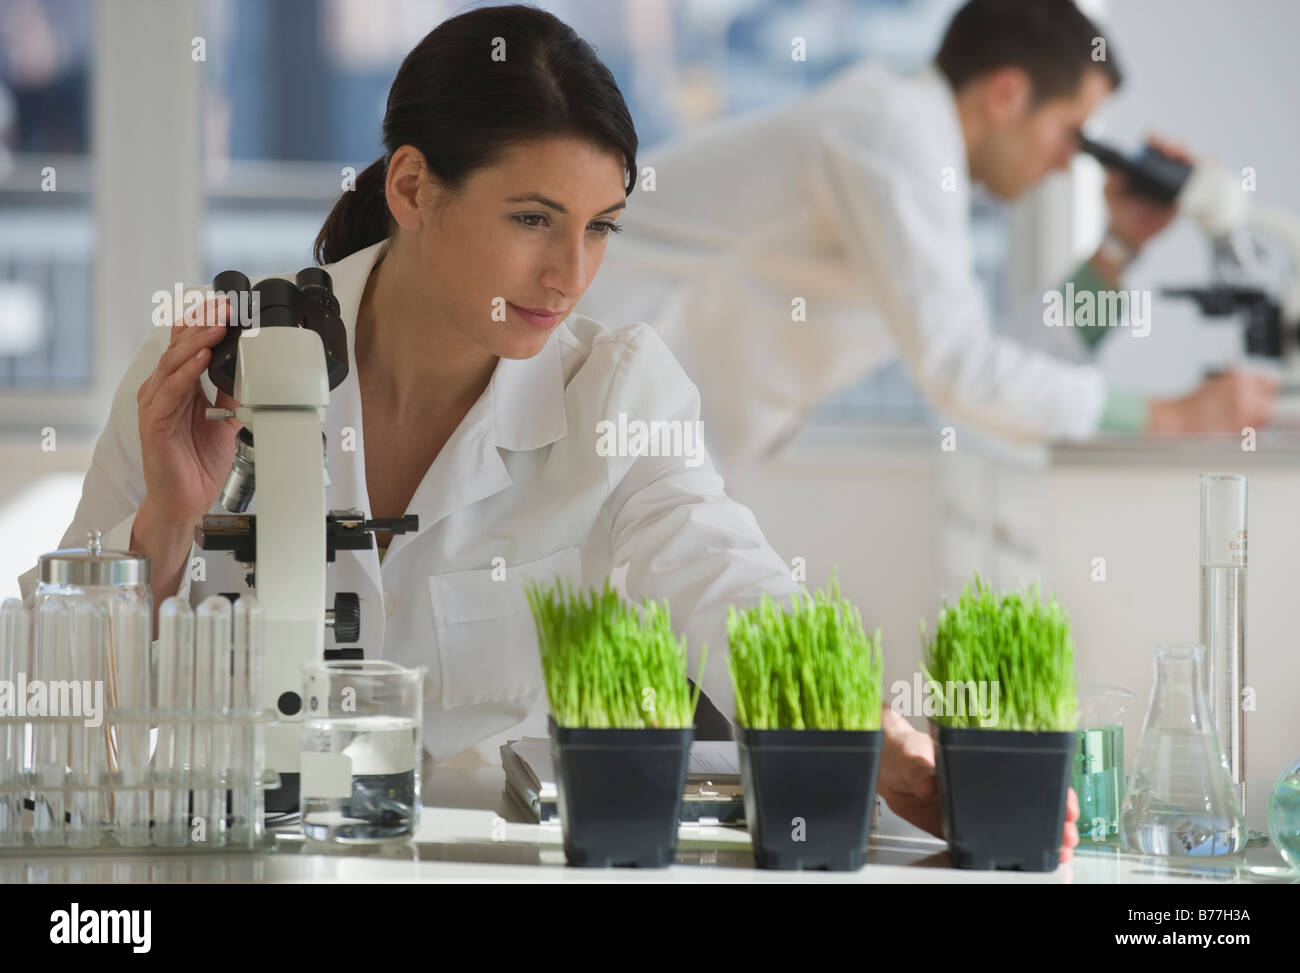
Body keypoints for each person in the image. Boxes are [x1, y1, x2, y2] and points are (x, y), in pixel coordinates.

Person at [17, 4, 1078, 861]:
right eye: (533, 220)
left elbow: (729, 581)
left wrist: (874, 743)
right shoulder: (217, 373)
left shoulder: (615, 390)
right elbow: (63, 712)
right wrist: (166, 523)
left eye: (599, 228)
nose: (570, 274)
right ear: (413, 186)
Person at [575, 0, 1278, 475]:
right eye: (1071, 131)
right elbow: (963, 371)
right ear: (1006, 94)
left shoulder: (924, 163)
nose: (1070, 160)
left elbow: (1000, 365)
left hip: (653, 433)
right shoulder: (895, 127)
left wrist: (1121, 244)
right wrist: (1174, 416)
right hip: (585, 390)